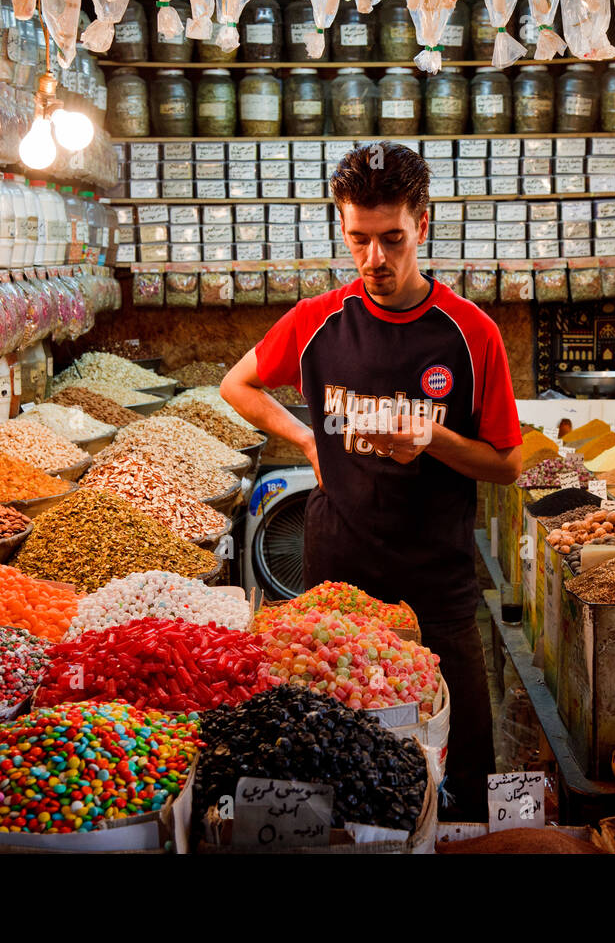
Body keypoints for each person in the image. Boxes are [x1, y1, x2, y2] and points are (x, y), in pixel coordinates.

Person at [221, 142, 522, 820]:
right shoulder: (317, 322)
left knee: (463, 767)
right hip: (340, 578)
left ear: (424, 223)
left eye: (391, 239)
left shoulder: (470, 334)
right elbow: (236, 384)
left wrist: (433, 440)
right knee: (336, 764)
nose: (374, 260)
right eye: (357, 239)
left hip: (439, 584)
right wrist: (304, 436)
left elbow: (506, 463)